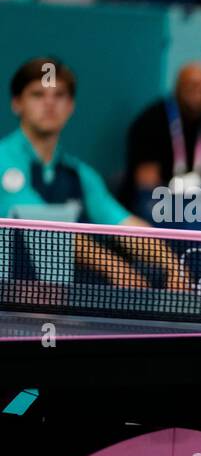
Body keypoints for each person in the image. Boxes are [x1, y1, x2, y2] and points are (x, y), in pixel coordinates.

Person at [1, 58, 185, 289]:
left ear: (71, 106)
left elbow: (124, 225)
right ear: (17, 103)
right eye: (38, 94)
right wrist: (111, 264)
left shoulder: (81, 175)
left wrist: (172, 264)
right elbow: (42, 224)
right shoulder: (3, 161)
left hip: (57, 306)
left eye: (59, 95)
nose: (49, 104)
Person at [121, 62, 201, 218]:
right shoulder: (150, 123)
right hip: (154, 214)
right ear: (177, 89)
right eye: (193, 85)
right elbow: (146, 188)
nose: (200, 92)